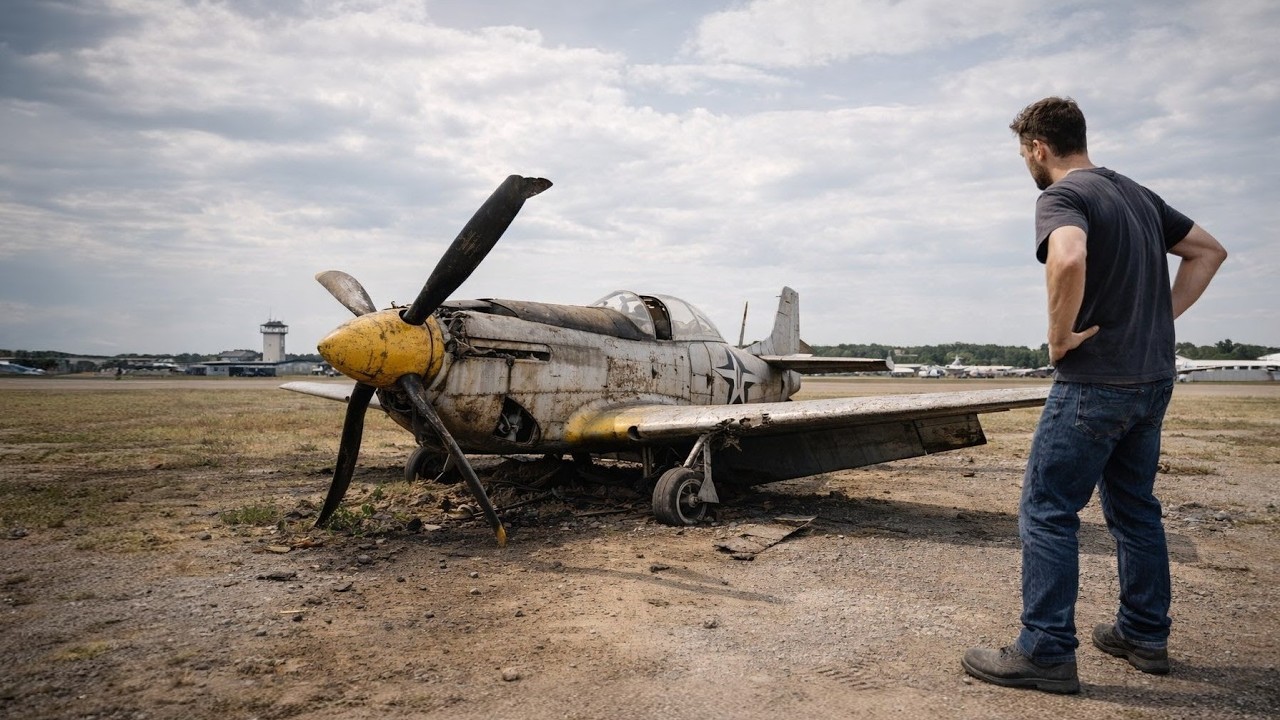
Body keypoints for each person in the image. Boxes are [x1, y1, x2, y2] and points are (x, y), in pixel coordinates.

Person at [961, 97, 1228, 694]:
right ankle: (1143, 634)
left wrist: (1059, 336)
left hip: (1095, 380)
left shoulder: (1062, 196)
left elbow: (1069, 256)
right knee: (1135, 510)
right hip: (1152, 378)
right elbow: (1209, 251)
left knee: (1049, 510)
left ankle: (1046, 651)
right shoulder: (1137, 195)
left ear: (1037, 148)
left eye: (1022, 153)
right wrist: (1160, 317)